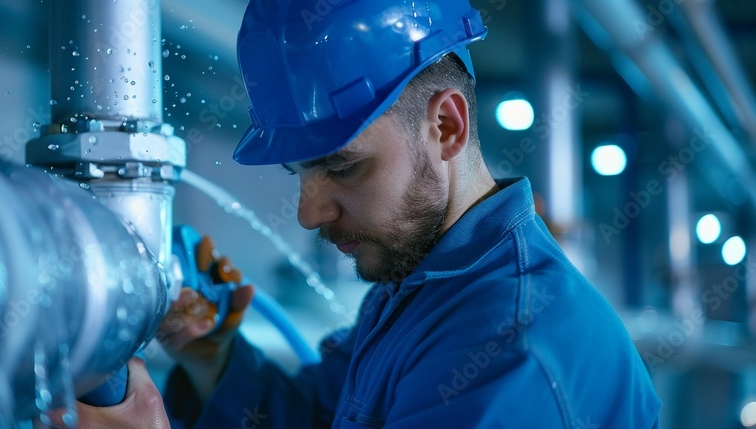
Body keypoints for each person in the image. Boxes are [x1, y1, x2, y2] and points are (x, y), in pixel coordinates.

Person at [61, 0, 662, 427]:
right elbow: (321, 416)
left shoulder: (510, 351)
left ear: (446, 126)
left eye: (342, 167)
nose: (309, 214)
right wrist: (214, 359)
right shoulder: (422, 277)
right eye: (300, 173)